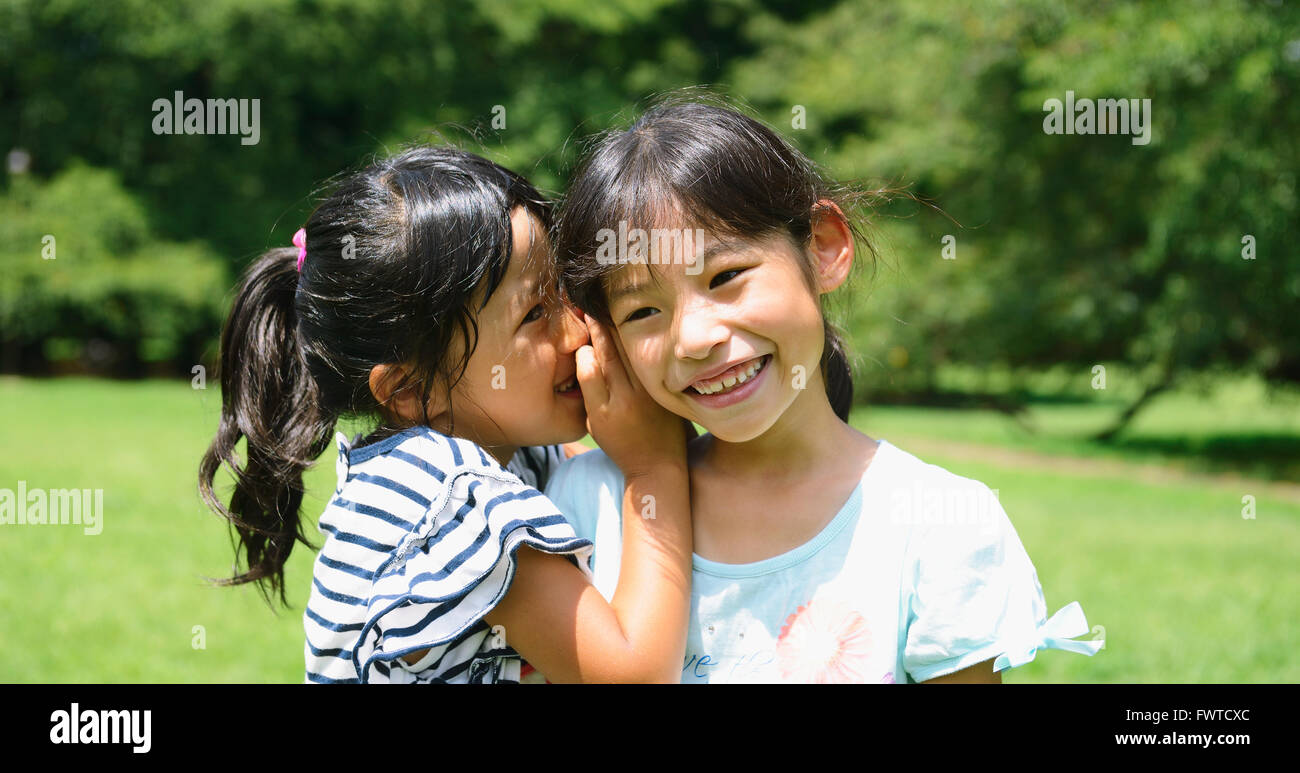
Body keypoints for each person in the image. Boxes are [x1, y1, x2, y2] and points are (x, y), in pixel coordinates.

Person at [547, 96, 1103, 683]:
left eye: (725, 277)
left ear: (824, 247)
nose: (693, 338)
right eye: (642, 312)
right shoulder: (582, 508)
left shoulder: (941, 523)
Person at [198, 144, 692, 683]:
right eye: (534, 314)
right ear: (410, 388)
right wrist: (655, 470)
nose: (577, 329)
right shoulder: (451, 498)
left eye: (562, 290)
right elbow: (634, 676)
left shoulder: (483, 448)